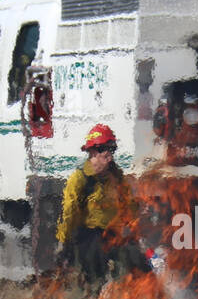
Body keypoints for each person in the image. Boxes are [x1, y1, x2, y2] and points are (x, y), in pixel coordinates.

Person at [55, 123, 149, 290]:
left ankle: (130, 297)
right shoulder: (79, 179)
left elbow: (128, 206)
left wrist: (136, 227)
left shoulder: (117, 177)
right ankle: (93, 297)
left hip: (113, 235)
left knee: (136, 261)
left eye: (111, 150)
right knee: (94, 269)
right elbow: (69, 213)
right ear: (93, 152)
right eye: (105, 150)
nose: (110, 156)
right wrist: (63, 243)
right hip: (88, 236)